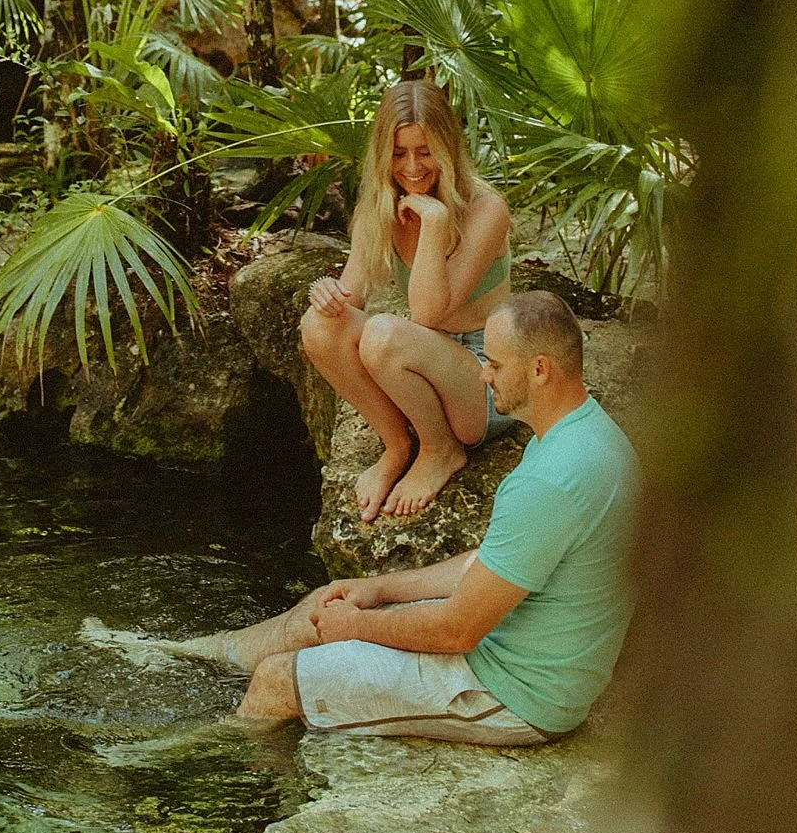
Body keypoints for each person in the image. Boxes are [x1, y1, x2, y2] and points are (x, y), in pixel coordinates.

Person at [146, 294, 639, 745]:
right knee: (330, 598)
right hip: (504, 651)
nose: (483, 377)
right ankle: (192, 652)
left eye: (492, 363)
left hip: (511, 694)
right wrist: (380, 590)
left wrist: (357, 628)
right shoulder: (580, 435)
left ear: (538, 370)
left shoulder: (554, 479)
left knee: (277, 680)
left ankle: (178, 752)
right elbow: (492, 563)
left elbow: (456, 632)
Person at [300, 79, 514, 522]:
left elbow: (428, 314)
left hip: (486, 376)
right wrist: (325, 293)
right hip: (429, 360)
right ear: (383, 153)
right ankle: (398, 446)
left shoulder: (486, 210)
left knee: (383, 334)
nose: (412, 167)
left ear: (448, 148)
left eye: (425, 150)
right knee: (318, 325)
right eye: (399, 153)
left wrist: (434, 224)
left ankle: (440, 450)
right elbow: (350, 297)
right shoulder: (379, 206)